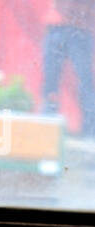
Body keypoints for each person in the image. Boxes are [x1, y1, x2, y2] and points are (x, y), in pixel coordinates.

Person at [42, 0, 95, 138]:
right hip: (57, 27)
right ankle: (47, 128)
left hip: (80, 28)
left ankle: (90, 130)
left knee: (85, 81)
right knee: (50, 79)